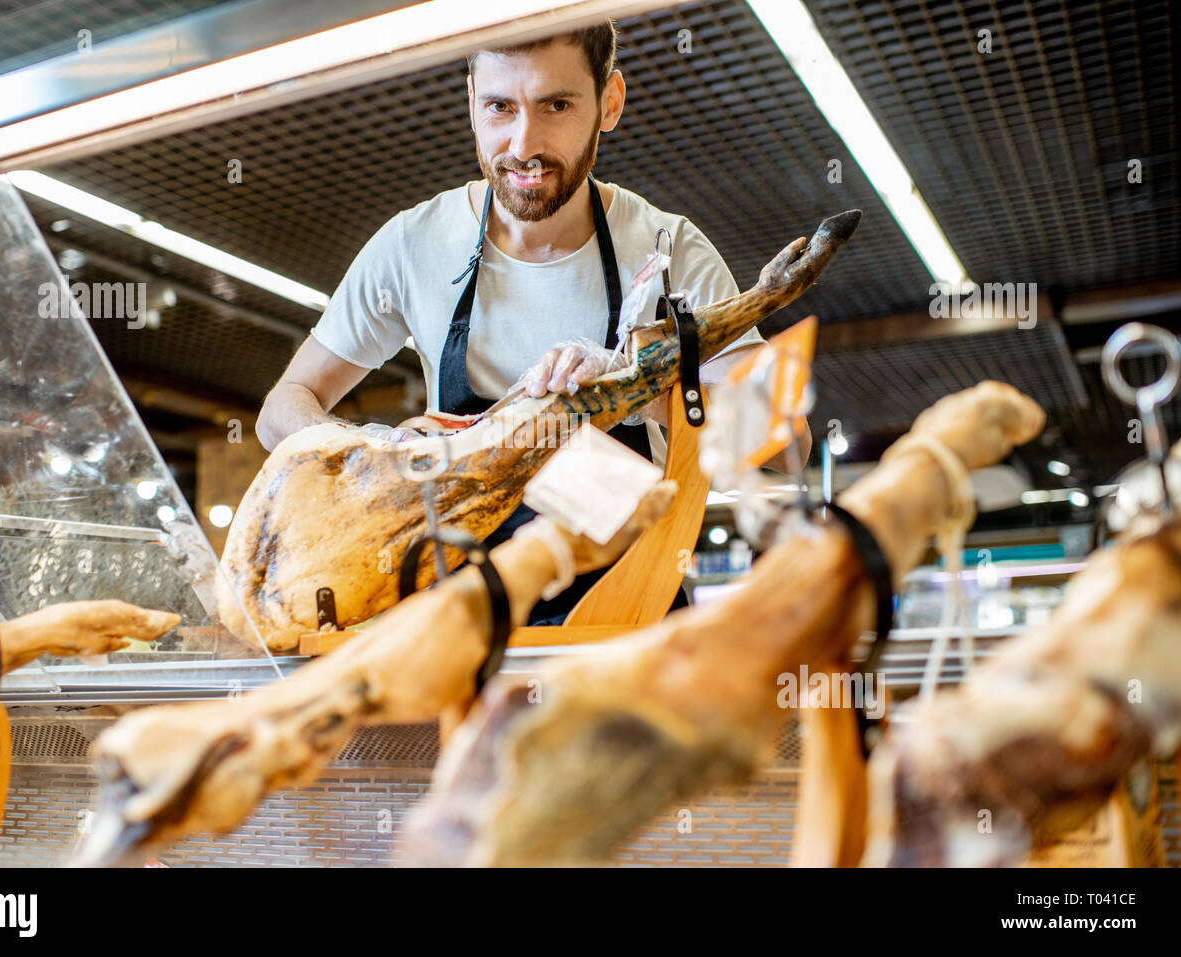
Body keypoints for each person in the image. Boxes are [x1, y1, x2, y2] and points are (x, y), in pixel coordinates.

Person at [256, 21, 810, 624]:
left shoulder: (666, 246)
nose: (523, 144)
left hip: (628, 616)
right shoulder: (413, 245)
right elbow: (281, 410)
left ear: (610, 103)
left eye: (557, 105)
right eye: (500, 106)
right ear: (471, 102)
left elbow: (788, 448)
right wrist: (375, 452)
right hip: (462, 625)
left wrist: (635, 390)